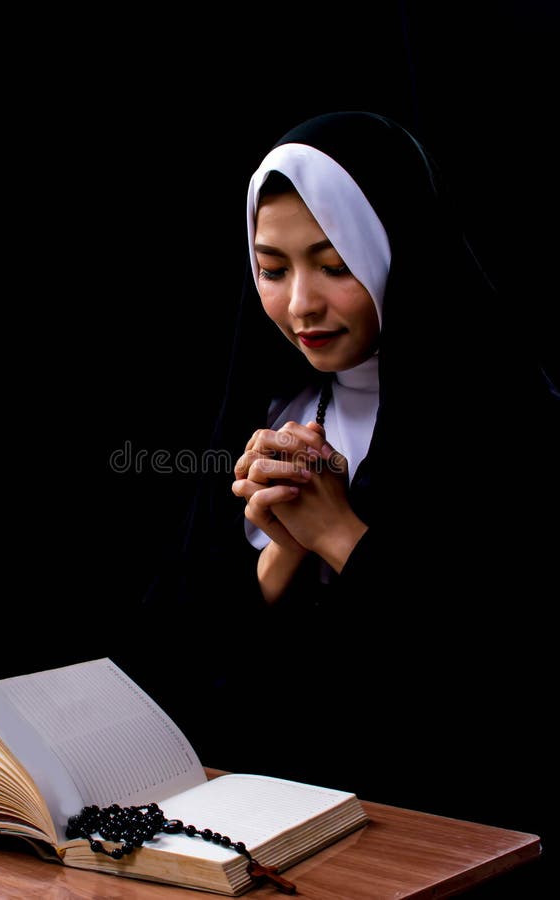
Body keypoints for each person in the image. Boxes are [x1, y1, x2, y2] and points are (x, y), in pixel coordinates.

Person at [138, 112, 557, 889]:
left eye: (333, 265)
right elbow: (177, 669)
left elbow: (505, 670)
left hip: (446, 840)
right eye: (272, 268)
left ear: (396, 252)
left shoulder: (507, 420)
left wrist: (343, 537)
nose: (301, 304)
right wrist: (280, 557)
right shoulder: (270, 414)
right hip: (269, 833)